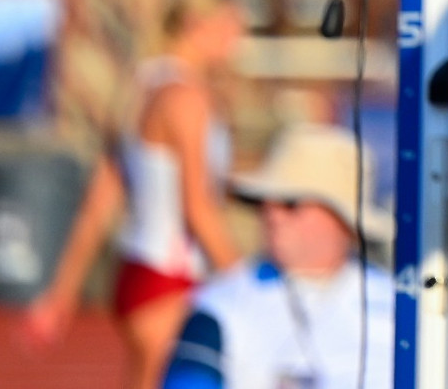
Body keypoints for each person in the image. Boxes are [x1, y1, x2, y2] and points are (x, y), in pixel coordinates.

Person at [25, 0, 247, 389]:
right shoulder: (186, 98)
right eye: (231, 24)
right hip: (173, 276)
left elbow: (99, 201)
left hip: (135, 271)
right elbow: (197, 208)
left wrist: (61, 294)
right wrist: (246, 284)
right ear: (198, 23)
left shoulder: (139, 87)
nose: (240, 37)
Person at [160, 123, 394, 389]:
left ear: (344, 221)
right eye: (263, 202)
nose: (271, 214)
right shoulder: (222, 304)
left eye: (290, 203)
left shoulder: (401, 307)